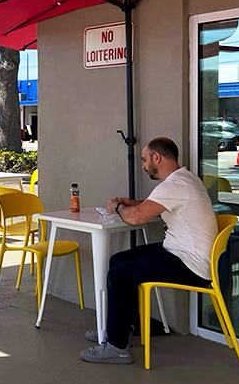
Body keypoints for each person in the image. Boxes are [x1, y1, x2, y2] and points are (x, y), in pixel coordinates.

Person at [80, 137, 218, 365]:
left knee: (118, 275)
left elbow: (136, 218)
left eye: (144, 160)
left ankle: (117, 347)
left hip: (189, 264)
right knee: (118, 260)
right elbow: (153, 204)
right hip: (182, 253)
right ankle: (123, 327)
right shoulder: (184, 179)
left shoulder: (174, 185)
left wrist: (118, 207)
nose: (143, 165)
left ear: (157, 157)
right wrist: (130, 202)